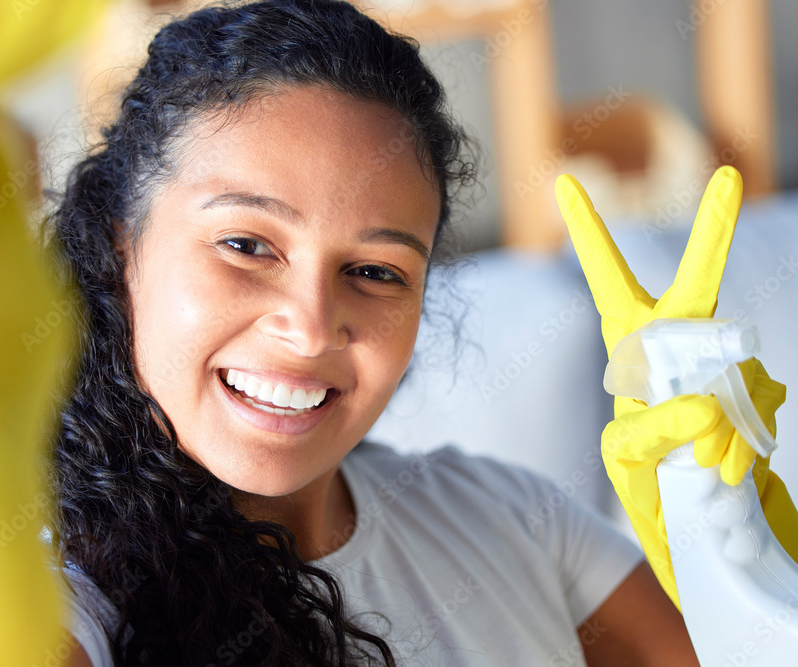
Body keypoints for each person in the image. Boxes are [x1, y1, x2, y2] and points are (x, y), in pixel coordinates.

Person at [43, 0, 712, 664]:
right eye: (246, 243)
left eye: (373, 270)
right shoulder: (53, 606)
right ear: (119, 247)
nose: (310, 329)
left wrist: (729, 545)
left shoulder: (516, 519)